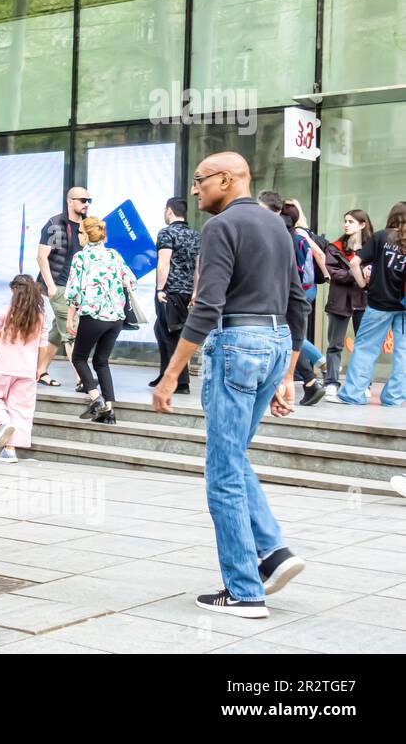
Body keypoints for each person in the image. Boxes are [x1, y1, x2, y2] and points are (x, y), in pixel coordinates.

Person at [154, 152, 308, 619]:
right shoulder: (278, 226)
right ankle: (274, 553)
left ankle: (244, 591)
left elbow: (207, 305)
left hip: (237, 345)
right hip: (275, 342)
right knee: (235, 455)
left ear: (227, 178)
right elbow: (298, 303)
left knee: (222, 470)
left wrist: (171, 372)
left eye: (201, 180)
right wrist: (287, 374)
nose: (196, 189)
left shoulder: (220, 228)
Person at [65, 216, 134, 425]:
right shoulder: (114, 254)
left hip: (93, 315)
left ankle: (96, 399)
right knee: (101, 361)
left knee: (79, 357)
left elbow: (72, 291)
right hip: (116, 318)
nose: (79, 237)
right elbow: (130, 280)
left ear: (86, 235)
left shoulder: (81, 257)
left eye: (80, 233)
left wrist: (70, 317)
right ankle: (109, 411)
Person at [339, 201, 406, 406]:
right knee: (403, 352)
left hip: (379, 303)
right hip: (403, 306)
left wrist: (362, 284)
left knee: (365, 348)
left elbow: (354, 262)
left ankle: (353, 394)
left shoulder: (382, 237)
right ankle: (393, 397)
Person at [0, 275, 49, 463]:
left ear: (15, 293)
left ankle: (4, 423)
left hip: (4, 367)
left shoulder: (6, 311)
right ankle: (10, 450)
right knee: (21, 410)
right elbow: (43, 346)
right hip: (28, 370)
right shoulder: (40, 316)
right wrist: (39, 368)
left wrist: (1, 333)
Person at [36, 186, 91, 389]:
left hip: (77, 289)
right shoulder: (56, 225)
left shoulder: (87, 225)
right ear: (70, 201)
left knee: (58, 333)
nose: (86, 204)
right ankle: (82, 379)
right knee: (71, 331)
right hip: (59, 286)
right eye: (82, 200)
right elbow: (42, 257)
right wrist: (50, 286)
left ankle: (41, 371)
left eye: (88, 200)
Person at [150, 197, 198, 394]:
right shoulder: (195, 235)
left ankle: (181, 382)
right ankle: (165, 373)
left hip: (170, 291)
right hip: (186, 292)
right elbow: (198, 265)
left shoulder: (167, 233)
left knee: (171, 334)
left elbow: (164, 262)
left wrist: (160, 289)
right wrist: (195, 290)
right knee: (160, 330)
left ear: (169, 211)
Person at [280, 204, 326, 405]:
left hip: (285, 294)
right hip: (300, 291)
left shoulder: (286, 237)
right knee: (291, 336)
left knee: (288, 337)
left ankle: (311, 377)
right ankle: (310, 379)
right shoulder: (300, 237)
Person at [322, 210, 372, 391]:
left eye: (351, 221)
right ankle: (331, 382)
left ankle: (363, 384)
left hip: (363, 301)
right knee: (335, 345)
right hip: (339, 300)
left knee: (363, 345)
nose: (346, 224)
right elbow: (333, 273)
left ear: (363, 224)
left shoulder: (372, 247)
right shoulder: (335, 247)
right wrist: (355, 273)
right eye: (345, 221)